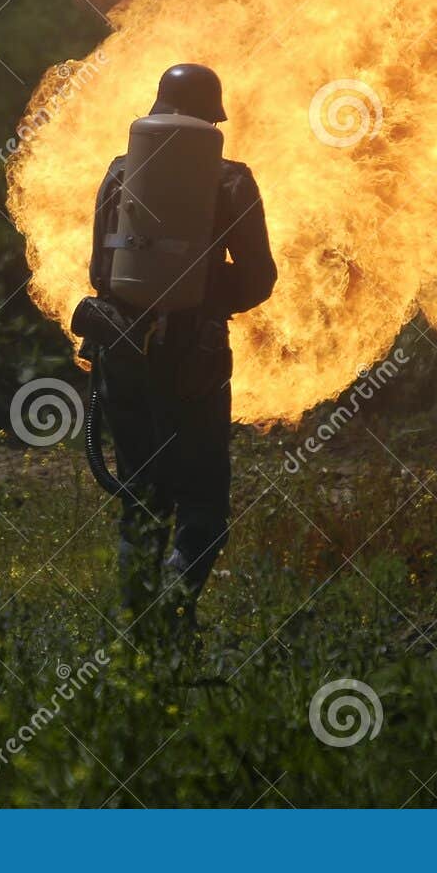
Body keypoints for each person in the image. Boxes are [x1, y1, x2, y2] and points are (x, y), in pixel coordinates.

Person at [88, 63, 276, 636]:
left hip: (122, 352)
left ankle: (136, 622)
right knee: (204, 502)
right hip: (195, 358)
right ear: (211, 115)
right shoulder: (232, 180)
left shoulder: (121, 172)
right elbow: (259, 278)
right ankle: (175, 606)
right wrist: (200, 296)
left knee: (141, 495)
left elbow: (102, 269)